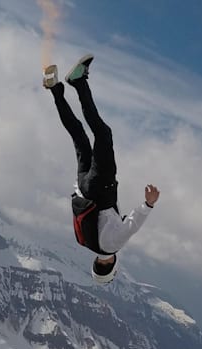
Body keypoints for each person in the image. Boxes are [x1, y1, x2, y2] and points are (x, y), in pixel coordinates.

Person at [44, 54, 160, 284]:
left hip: (102, 185)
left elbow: (133, 224)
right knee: (78, 135)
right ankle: (55, 90)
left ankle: (78, 82)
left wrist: (149, 203)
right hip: (83, 185)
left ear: (113, 266)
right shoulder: (85, 242)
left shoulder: (113, 245)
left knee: (103, 135)